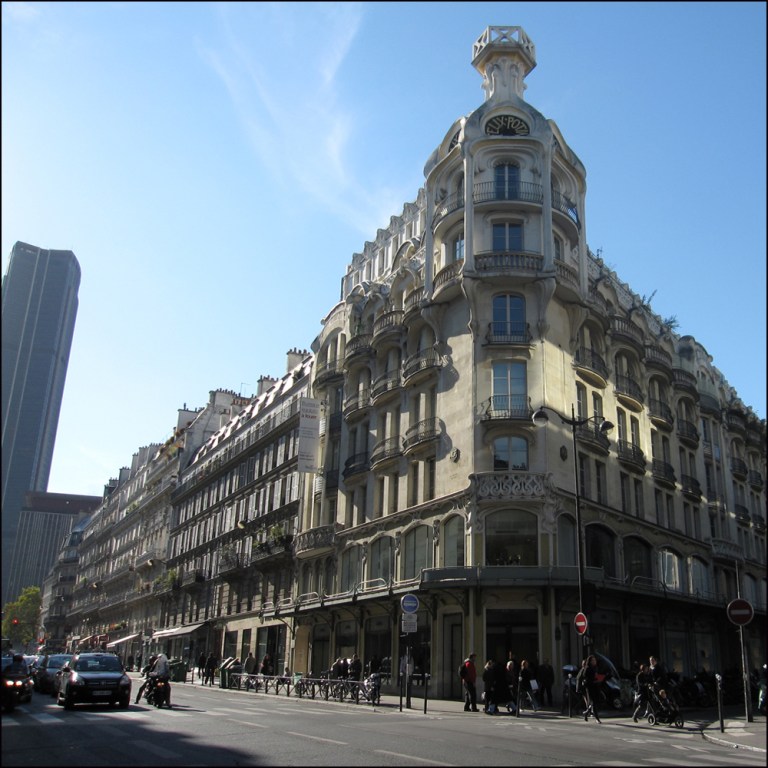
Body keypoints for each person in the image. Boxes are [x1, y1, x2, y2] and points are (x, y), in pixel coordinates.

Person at [583, 654, 602, 723]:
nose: (595, 661)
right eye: (593, 660)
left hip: (596, 686)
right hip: (590, 687)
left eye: (595, 660)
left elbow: (597, 675)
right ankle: (597, 718)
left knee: (596, 702)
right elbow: (585, 676)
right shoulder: (588, 668)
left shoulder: (596, 667)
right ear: (590, 661)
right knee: (593, 702)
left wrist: (599, 678)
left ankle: (586, 712)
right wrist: (593, 679)